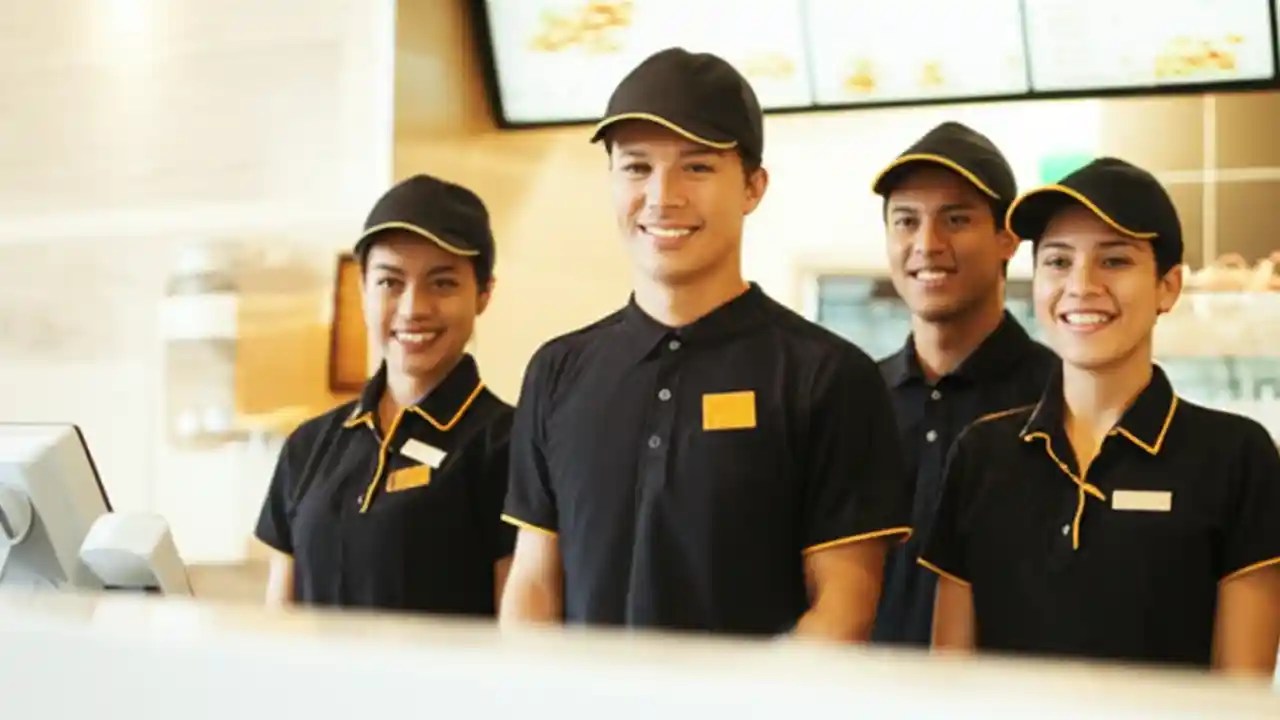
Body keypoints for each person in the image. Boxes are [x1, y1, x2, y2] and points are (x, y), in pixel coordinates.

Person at [498, 47, 912, 641]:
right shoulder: (558, 371)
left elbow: (846, 602)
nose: (662, 197)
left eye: (696, 167)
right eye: (637, 168)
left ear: (753, 187)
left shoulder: (826, 376)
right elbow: (534, 583)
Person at [921, 158, 1280, 676]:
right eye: (1058, 261)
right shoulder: (982, 453)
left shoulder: (1236, 456)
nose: (1081, 285)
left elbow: (1238, 693)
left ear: (1168, 286)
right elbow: (951, 681)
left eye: (1114, 261)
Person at [255, 174, 516, 616]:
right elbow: (279, 621)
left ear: (484, 293)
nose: (414, 309)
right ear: (362, 291)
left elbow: (521, 632)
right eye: (390, 282)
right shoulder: (309, 445)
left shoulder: (510, 446)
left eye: (442, 283)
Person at [868, 122, 1055, 646]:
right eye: (906, 221)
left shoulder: (1059, 403)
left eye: (956, 219)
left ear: (1006, 241)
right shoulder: (853, 399)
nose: (928, 245)